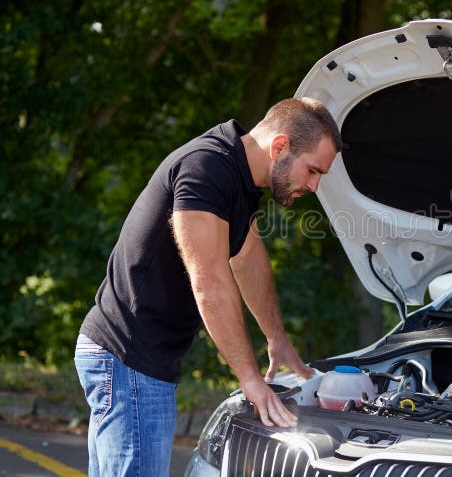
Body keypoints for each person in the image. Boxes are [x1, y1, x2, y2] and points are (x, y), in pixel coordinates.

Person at [74, 97, 342, 476]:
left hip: (133, 360)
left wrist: (276, 337)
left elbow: (247, 259)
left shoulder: (240, 178)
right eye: (313, 170)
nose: (314, 186)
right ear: (280, 146)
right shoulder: (206, 168)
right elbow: (210, 282)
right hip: (128, 357)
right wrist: (250, 380)